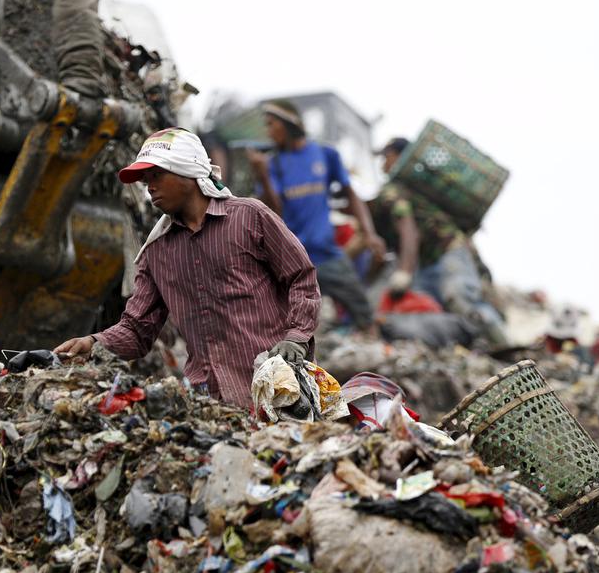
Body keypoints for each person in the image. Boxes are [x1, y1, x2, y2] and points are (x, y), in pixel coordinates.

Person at [54, 127, 321, 409]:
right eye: (145, 180)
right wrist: (94, 342)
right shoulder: (155, 251)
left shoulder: (250, 217)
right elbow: (137, 330)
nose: (149, 187)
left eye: (157, 175)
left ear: (187, 172)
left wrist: (296, 338)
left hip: (279, 392)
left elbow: (301, 277)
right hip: (211, 405)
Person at [245, 99, 382, 332]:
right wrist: (263, 177)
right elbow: (274, 212)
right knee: (287, 323)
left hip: (326, 252)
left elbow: (351, 193)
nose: (268, 132)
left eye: (272, 124)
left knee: (361, 308)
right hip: (292, 258)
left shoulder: (324, 154)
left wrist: (369, 233)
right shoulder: (273, 164)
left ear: (290, 124)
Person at [376, 137, 507, 345]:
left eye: (385, 157)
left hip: (448, 248)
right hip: (429, 261)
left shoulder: (393, 190)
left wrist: (404, 273)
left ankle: (503, 343)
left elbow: (409, 232)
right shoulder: (410, 188)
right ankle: (475, 348)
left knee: (460, 300)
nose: (382, 163)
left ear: (396, 156)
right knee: (433, 309)